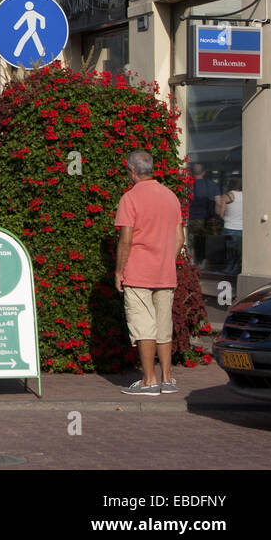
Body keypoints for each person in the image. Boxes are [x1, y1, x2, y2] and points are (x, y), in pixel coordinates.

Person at [115, 150, 186, 395]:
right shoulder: (170, 197)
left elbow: (126, 239)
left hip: (138, 272)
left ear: (132, 172)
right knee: (164, 325)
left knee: (143, 326)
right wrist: (167, 259)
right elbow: (180, 238)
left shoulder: (129, 198)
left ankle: (149, 381)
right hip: (165, 272)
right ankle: (167, 378)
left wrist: (118, 271)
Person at [186, 162, 219, 265]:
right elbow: (218, 202)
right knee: (206, 242)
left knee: (192, 243)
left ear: (191, 172)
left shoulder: (188, 185)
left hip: (192, 218)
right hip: (207, 218)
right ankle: (204, 265)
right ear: (204, 172)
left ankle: (193, 264)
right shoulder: (212, 184)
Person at [215, 176, 243, 275]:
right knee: (239, 253)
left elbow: (221, 214)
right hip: (242, 228)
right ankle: (237, 269)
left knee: (230, 253)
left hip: (229, 227)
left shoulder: (227, 196)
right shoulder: (246, 195)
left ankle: (229, 270)